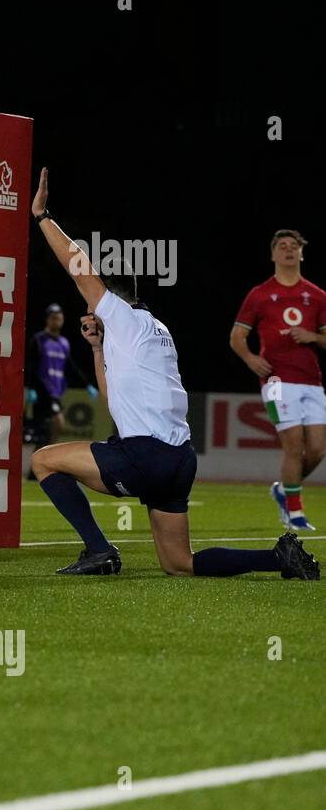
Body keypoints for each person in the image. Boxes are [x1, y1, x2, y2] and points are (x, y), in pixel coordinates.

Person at [30, 168, 317, 579]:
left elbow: (78, 266)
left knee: (44, 461)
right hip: (179, 459)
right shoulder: (156, 329)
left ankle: (98, 550)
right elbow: (117, 403)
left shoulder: (121, 316)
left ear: (110, 295)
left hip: (146, 456)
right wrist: (97, 347)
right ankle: (279, 558)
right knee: (179, 564)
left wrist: (42, 217)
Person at [229, 229, 326, 531]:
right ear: (273, 255)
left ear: (301, 253)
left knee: (319, 449)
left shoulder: (318, 295)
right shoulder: (259, 295)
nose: (288, 250)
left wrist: (313, 336)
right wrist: (250, 359)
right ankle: (294, 512)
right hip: (276, 381)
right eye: (282, 246)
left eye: (293, 246)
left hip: (311, 380)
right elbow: (237, 336)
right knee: (293, 446)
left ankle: (284, 489)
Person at [26, 302, 96, 449]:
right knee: (57, 422)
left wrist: (87, 384)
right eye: (53, 318)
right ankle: (43, 459)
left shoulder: (63, 343)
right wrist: (31, 387)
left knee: (46, 432)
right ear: (47, 320)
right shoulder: (39, 340)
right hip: (42, 391)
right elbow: (31, 365)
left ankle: (39, 462)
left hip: (56, 392)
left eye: (58, 318)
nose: (55, 321)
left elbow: (70, 366)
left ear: (62, 320)